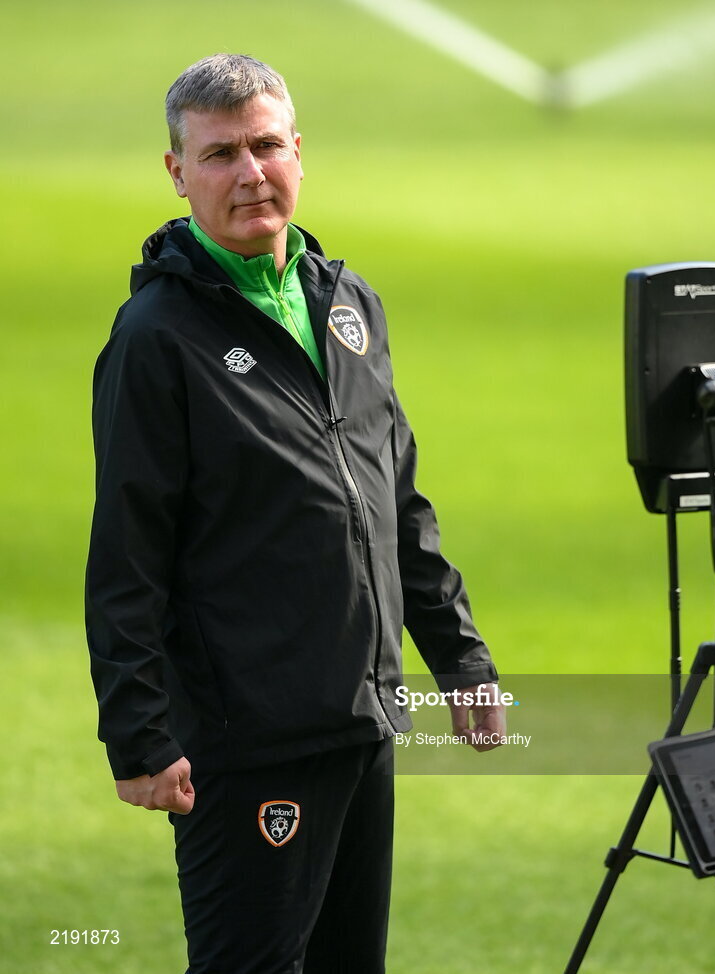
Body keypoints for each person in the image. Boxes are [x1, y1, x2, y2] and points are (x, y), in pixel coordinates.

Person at [85, 53, 505, 974]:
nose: (250, 174)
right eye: (221, 153)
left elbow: (396, 498)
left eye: (267, 146)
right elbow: (126, 555)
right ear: (177, 171)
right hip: (249, 742)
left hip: (363, 718)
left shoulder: (347, 304)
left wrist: (463, 660)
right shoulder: (156, 339)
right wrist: (139, 736)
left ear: (299, 153)